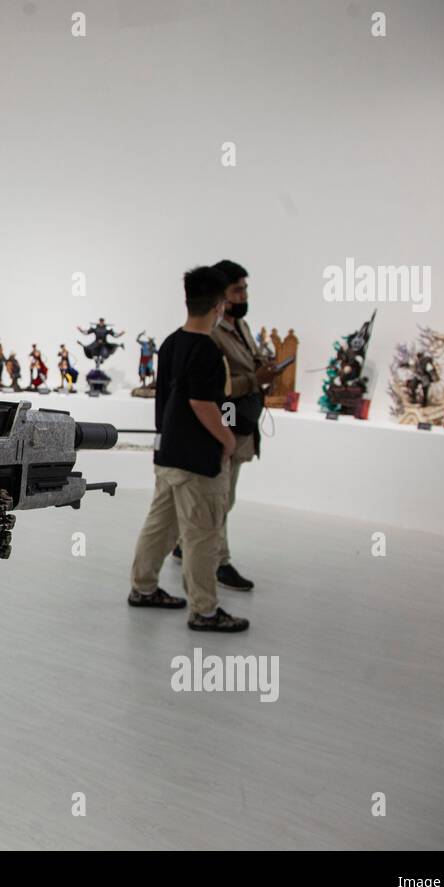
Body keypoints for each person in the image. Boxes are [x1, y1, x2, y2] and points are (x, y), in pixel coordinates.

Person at [128, 267, 249, 632]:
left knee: (160, 526)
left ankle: (143, 587)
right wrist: (227, 440)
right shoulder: (207, 350)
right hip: (198, 460)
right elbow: (202, 403)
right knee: (202, 535)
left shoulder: (170, 343)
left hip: (168, 453)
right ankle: (205, 610)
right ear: (218, 305)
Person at [171, 259, 279, 591]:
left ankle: (185, 546)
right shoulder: (211, 334)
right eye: (238, 290)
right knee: (221, 496)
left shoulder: (240, 326)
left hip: (243, 419)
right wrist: (253, 380)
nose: (244, 295)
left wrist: (262, 372)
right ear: (222, 296)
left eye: (245, 288)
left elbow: (240, 368)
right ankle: (218, 560)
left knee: (225, 496)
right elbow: (219, 387)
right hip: (227, 418)